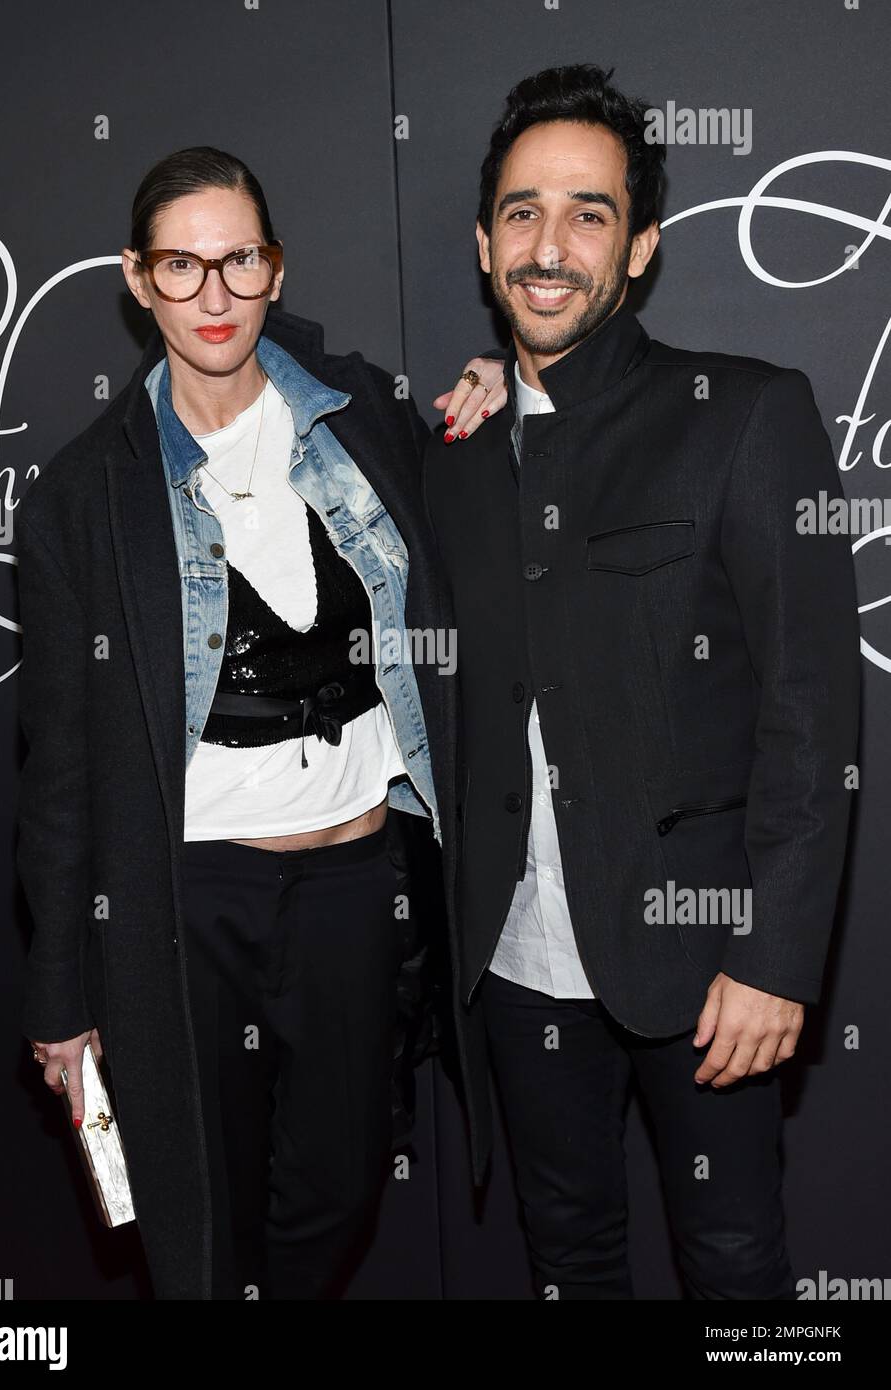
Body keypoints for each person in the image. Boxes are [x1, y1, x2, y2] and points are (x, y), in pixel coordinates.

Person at [16, 144, 505, 1300]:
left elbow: (481, 494)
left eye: (239, 260)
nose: (215, 294)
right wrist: (58, 1000)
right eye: (181, 267)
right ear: (139, 281)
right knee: (201, 1219)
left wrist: (493, 384)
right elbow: (59, 771)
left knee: (337, 1200)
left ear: (275, 269)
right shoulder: (84, 497)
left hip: (355, 886)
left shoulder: (366, 421)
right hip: (187, 906)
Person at [415, 65, 861, 1299]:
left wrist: (777, 956)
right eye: (521, 212)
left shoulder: (746, 416)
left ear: (643, 245)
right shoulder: (453, 451)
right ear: (483, 241)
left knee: (737, 1269)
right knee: (568, 1261)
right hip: (516, 961)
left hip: (705, 969)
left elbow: (814, 714)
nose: (548, 246)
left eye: (588, 213)